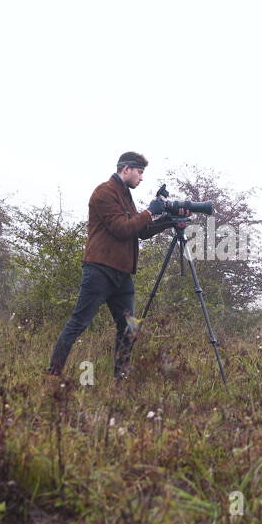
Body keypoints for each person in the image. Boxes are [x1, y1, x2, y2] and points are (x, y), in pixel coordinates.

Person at [45, 151, 188, 381]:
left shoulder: (125, 195)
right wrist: (150, 211)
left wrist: (169, 220)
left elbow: (140, 231)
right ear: (126, 169)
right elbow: (122, 228)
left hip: (122, 275)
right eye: (140, 173)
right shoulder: (104, 192)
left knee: (129, 328)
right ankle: (52, 375)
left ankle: (120, 380)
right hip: (99, 270)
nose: (141, 178)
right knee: (79, 322)